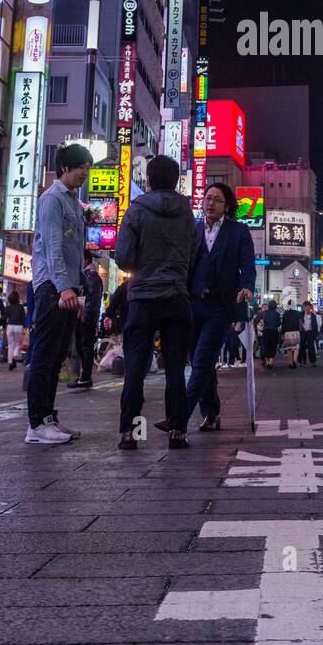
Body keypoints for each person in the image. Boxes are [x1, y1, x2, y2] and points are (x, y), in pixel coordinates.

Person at [114, 153, 197, 450]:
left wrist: (141, 267)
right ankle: (177, 431)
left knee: (136, 369)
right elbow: (193, 254)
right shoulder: (187, 213)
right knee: (175, 369)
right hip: (176, 298)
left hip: (143, 299)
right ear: (176, 182)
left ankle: (131, 434)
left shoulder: (135, 211)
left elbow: (123, 258)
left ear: (147, 181)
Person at [166, 182, 256, 433]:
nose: (210, 203)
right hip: (192, 304)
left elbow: (247, 265)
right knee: (197, 360)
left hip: (220, 307)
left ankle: (179, 418)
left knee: (203, 359)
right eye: (207, 198)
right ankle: (211, 411)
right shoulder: (193, 230)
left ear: (227, 206)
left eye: (216, 199)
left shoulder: (238, 232)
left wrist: (247, 286)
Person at [26, 142, 92, 445]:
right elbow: (52, 246)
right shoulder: (52, 199)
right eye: (81, 167)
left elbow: (74, 249)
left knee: (56, 357)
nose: (85, 173)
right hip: (52, 287)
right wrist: (64, 287)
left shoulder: (73, 201)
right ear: (64, 168)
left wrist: (76, 290)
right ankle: (36, 424)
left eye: (87, 168)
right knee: (44, 356)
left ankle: (47, 418)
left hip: (67, 288)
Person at [71, 252, 104, 390]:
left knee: (85, 346)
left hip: (87, 316)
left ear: (86, 259)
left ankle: (86, 377)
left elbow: (92, 300)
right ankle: (84, 376)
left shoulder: (91, 276)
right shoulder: (86, 274)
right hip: (83, 315)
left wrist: (85, 315)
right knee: (81, 345)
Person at [5, 289, 26, 370]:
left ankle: (10, 362)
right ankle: (15, 355)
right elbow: (23, 318)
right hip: (19, 327)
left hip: (10, 326)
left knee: (10, 345)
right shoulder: (21, 307)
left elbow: (4, 317)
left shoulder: (8, 307)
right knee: (17, 344)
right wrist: (24, 327)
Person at [259, 299, 281, 368]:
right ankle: (271, 362)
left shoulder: (264, 313)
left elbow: (261, 322)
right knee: (273, 347)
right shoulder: (277, 314)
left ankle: (267, 361)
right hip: (274, 332)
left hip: (266, 332)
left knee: (266, 347)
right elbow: (278, 323)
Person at [281, 298, 302, 368]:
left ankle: (290, 363)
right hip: (296, 332)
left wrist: (282, 334)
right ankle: (295, 361)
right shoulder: (297, 313)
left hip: (287, 333)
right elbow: (299, 323)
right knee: (296, 348)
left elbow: (283, 324)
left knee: (289, 349)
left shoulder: (285, 313)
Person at [299, 300, 319, 366]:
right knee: (302, 347)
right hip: (303, 332)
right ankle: (302, 361)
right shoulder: (301, 314)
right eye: (306, 307)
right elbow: (298, 323)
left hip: (310, 333)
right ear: (304, 308)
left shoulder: (313, 315)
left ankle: (313, 361)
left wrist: (316, 335)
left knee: (311, 347)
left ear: (310, 308)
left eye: (308, 307)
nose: (307, 309)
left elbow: (315, 325)